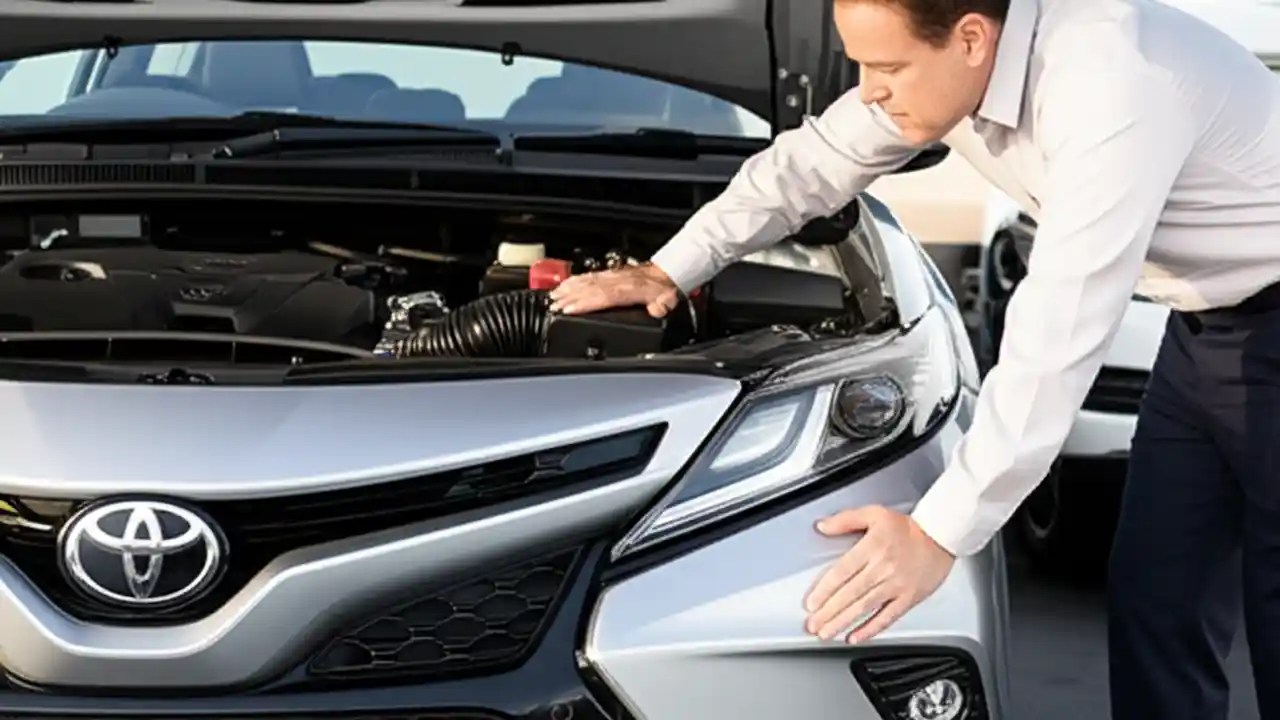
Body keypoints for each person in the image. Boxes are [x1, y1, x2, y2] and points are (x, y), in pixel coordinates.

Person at [549, 0, 1280, 716]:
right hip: (1205, 333)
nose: (869, 88)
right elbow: (811, 162)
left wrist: (937, 533)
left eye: (886, 65)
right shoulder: (951, 73)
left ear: (970, 38)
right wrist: (670, 270)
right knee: (1158, 597)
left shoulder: (1114, 77)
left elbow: (1059, 326)